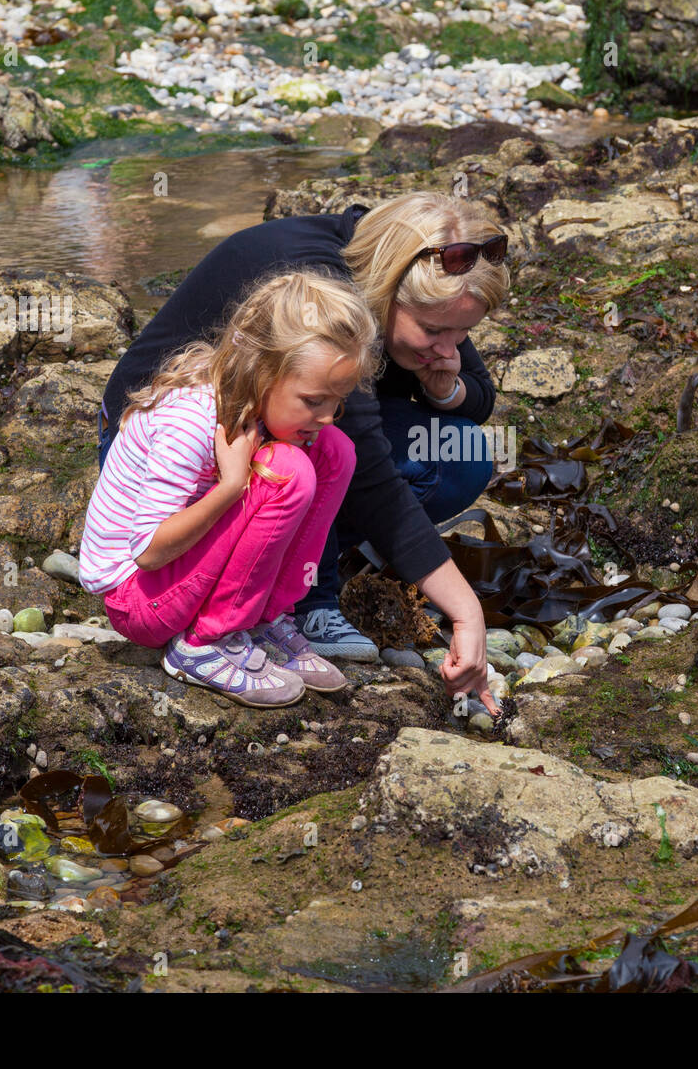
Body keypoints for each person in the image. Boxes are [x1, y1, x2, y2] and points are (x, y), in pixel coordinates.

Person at [98, 193, 508, 714]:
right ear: (386, 290)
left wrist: (442, 380)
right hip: (172, 446)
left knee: (460, 451)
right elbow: (374, 481)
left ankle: (291, 570)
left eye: (464, 332)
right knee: (316, 455)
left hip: (287, 422)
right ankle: (294, 601)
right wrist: (465, 611)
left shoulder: (420, 271)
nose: (451, 346)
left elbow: (477, 394)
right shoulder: (322, 289)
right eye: (433, 331)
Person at [79, 271, 380, 709]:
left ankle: (261, 618)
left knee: (336, 451)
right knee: (288, 471)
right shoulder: (192, 421)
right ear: (261, 368)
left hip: (182, 578)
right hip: (138, 598)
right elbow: (148, 551)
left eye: (338, 401)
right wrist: (232, 486)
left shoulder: (263, 406)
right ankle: (204, 643)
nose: (328, 415)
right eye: (313, 401)